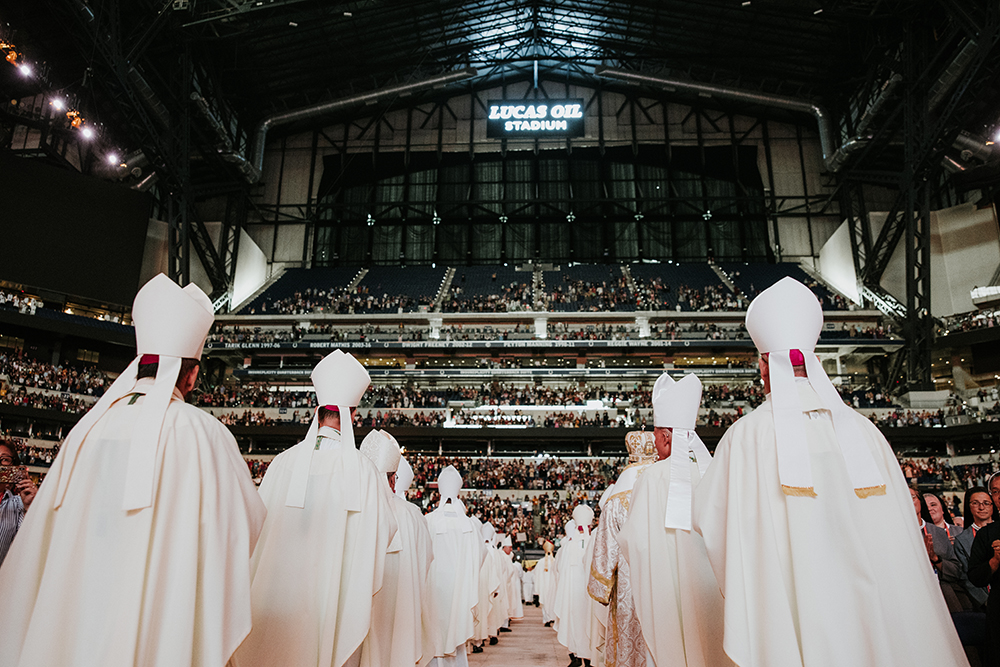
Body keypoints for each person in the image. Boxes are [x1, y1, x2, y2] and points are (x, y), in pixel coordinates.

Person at [693, 277, 968, 667]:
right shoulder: (865, 432)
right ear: (817, 363)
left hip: (793, 608)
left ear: (763, 368)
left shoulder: (745, 437)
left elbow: (712, 523)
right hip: (881, 614)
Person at [0, 273, 266, 667]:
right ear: (191, 375)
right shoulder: (204, 433)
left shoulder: (86, 429)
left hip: (78, 597)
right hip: (162, 602)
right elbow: (246, 523)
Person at [231, 350, 397, 667]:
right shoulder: (362, 470)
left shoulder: (281, 463)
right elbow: (385, 531)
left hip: (275, 598)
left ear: (318, 412)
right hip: (329, 599)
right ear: (353, 414)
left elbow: (254, 526)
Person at [617, 373, 732, 667]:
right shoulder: (714, 473)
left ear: (667, 436)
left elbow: (635, 542)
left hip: (669, 590)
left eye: (656, 433)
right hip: (713, 590)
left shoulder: (652, 477)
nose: (653, 440)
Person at [359, 430, 434, 667]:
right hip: (401, 607)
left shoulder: (352, 509)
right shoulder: (411, 514)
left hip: (361, 610)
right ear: (393, 480)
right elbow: (426, 561)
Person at [587, 431, 658, 667]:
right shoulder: (665, 484)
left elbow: (606, 547)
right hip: (664, 577)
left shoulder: (617, 497)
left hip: (630, 582)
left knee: (630, 640)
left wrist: (602, 585)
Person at [424, 465, 480, 667]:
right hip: (459, 590)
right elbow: (478, 558)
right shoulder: (470, 525)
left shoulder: (428, 520)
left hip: (433, 591)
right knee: (455, 634)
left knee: (433, 634)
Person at [554, 504, 596, 667]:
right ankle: (591, 658)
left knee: (576, 622)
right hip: (591, 595)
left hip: (573, 593)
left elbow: (558, 569)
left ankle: (579, 655)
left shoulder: (568, 546)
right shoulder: (594, 541)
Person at [955, 485, 993, 611]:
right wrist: (986, 602)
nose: (981, 507)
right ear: (969, 506)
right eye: (975, 503)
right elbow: (966, 577)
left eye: (986, 503)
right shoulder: (961, 540)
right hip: (985, 603)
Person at [0, 439, 36, 566]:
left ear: (12, 467)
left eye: (4, 459)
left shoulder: (18, 504)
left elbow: (26, 547)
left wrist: (29, 507)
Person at [535, 540, 557, 626]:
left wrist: (537, 589)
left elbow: (536, 574)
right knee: (552, 600)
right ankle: (552, 618)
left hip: (543, 585)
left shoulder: (540, 562)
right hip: (552, 585)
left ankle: (546, 619)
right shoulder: (555, 561)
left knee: (545, 601)